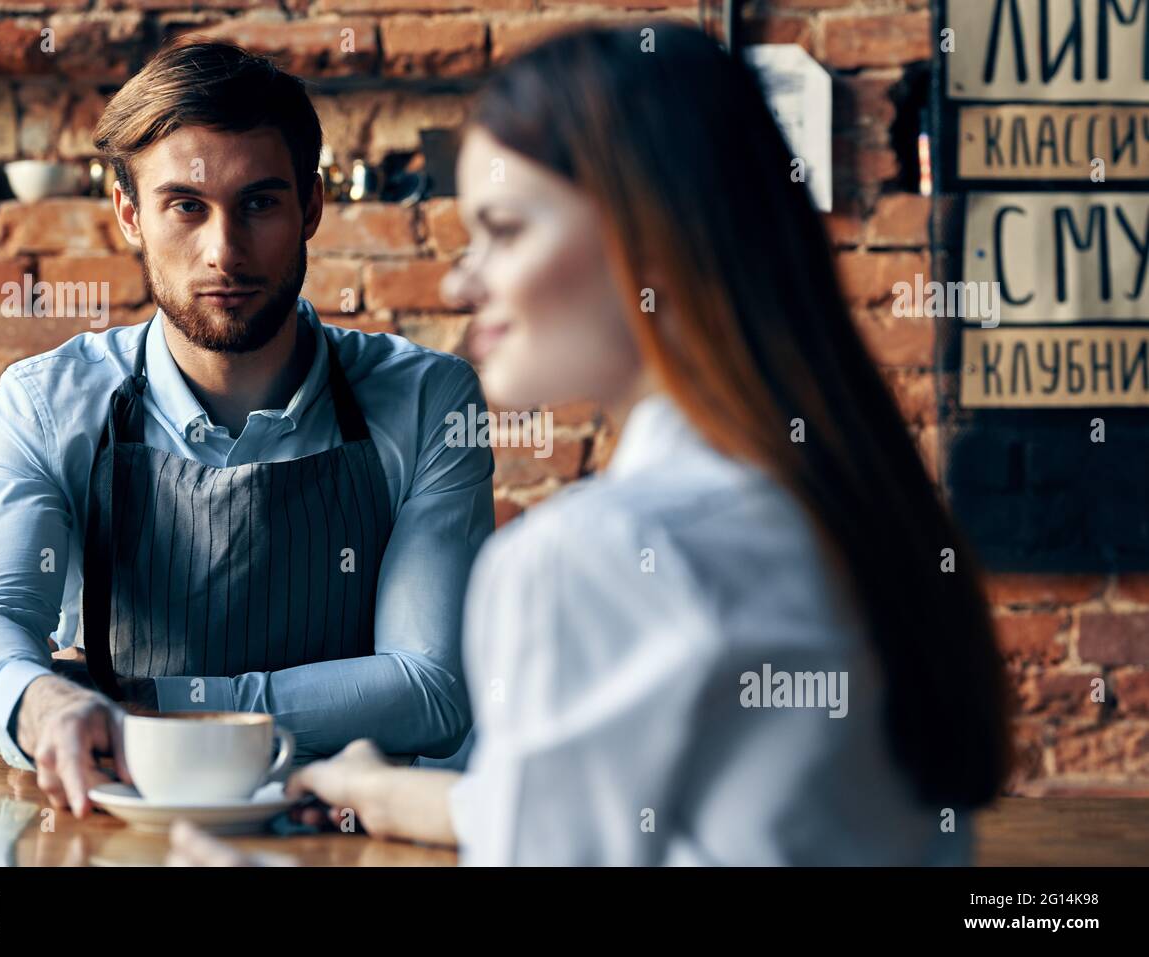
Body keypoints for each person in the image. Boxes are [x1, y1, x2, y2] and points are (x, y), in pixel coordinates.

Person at [171, 22, 1011, 866]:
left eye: (503, 230)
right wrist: (382, 792)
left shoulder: (599, 554)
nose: (464, 280)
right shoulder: (847, 505)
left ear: (650, 237)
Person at [0, 39, 494, 818]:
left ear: (311, 206)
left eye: (259, 203)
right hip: (119, 828)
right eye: (186, 206)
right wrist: (47, 706)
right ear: (131, 214)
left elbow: (429, 687)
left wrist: (133, 699)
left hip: (351, 835)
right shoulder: (48, 404)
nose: (223, 251)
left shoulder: (430, 400)